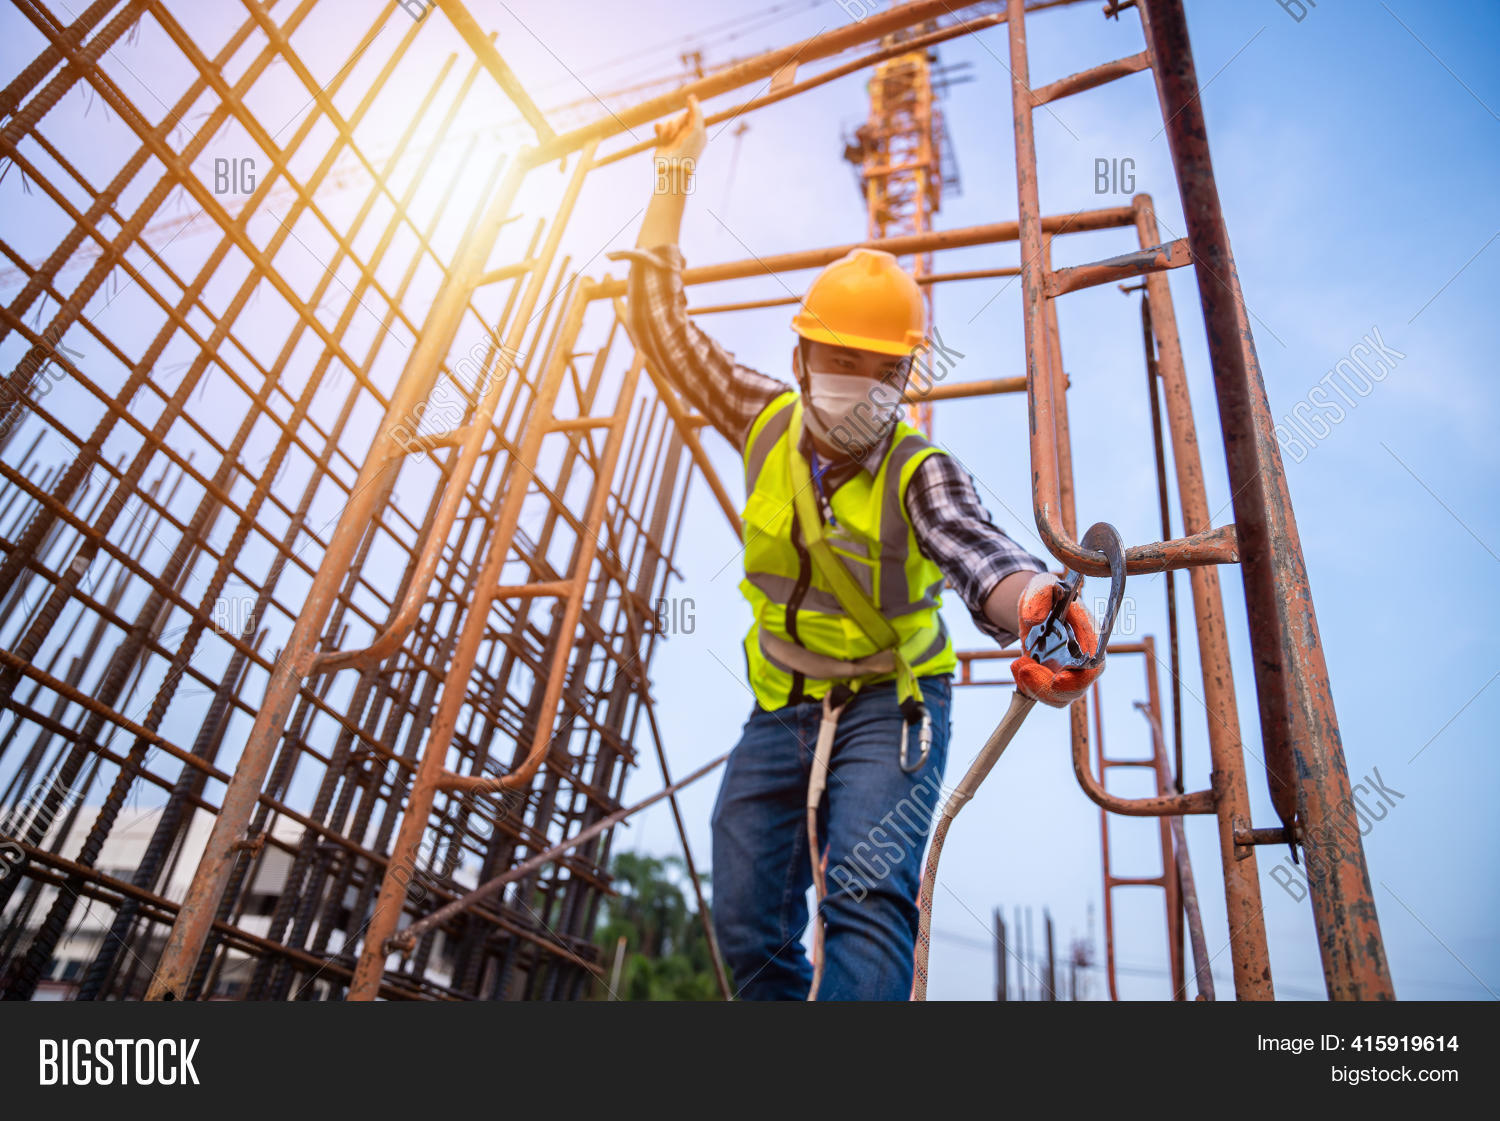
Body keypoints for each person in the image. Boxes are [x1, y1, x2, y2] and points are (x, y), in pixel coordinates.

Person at [614, 95, 1105, 1001]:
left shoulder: (921, 470)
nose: (860, 387)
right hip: (782, 704)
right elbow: (658, 326)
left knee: (867, 894)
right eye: (841, 362)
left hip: (895, 702)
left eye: (883, 372)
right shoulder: (760, 413)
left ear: (906, 377)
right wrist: (675, 174)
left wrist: (1037, 602)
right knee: (746, 920)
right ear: (802, 359)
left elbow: (980, 553)